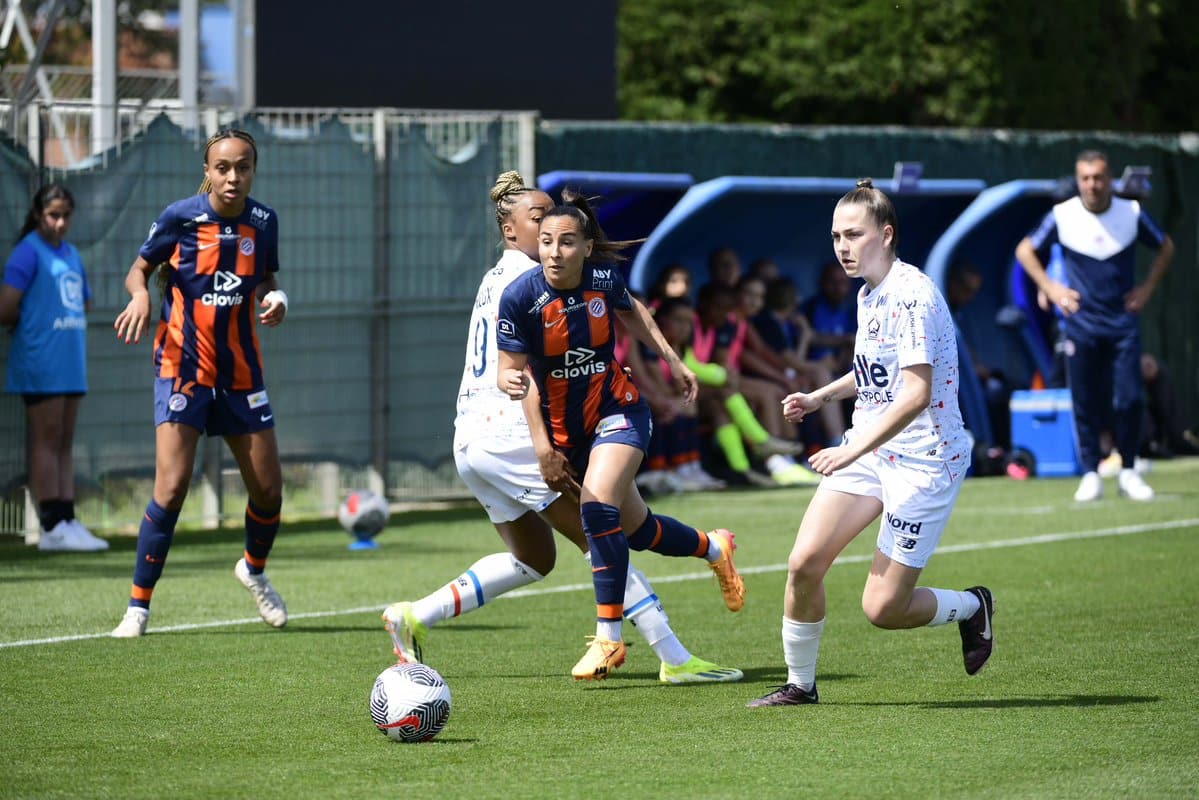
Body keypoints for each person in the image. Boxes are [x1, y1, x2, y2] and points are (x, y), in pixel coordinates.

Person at [382, 171, 741, 684]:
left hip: (472, 440)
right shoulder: (524, 286)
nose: (550, 228)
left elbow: (612, 314)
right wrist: (545, 447)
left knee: (540, 555)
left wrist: (630, 364)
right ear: (512, 232)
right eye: (538, 221)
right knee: (602, 531)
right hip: (513, 436)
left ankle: (417, 614)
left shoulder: (501, 277)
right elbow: (523, 373)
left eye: (558, 221)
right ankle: (674, 656)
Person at [748, 179, 993, 708]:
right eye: (836, 235)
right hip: (873, 448)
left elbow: (916, 394)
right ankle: (800, 685)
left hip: (925, 460)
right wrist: (818, 397)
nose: (842, 246)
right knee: (804, 562)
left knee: (883, 609)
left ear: (886, 234)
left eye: (853, 235)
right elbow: (874, 372)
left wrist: (848, 449)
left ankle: (971, 607)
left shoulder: (914, 296)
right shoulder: (867, 293)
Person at [496, 189, 745, 681]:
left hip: (620, 410)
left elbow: (635, 311)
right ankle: (714, 547)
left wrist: (673, 362)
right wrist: (541, 442)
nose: (554, 252)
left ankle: (609, 639)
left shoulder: (603, 278)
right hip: (568, 434)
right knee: (638, 531)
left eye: (566, 242)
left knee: (595, 507)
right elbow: (514, 376)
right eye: (546, 241)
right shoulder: (520, 297)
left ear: (587, 248)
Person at [110, 129, 290, 638]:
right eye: (223, 168)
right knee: (170, 488)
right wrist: (141, 295)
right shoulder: (180, 217)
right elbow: (137, 270)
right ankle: (138, 608)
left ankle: (253, 570)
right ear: (208, 171)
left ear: (254, 169)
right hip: (181, 366)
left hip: (241, 374)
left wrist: (277, 300)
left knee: (269, 492)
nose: (233, 177)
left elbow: (266, 284)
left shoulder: (264, 222)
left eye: (244, 167)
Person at [1015, 149, 1174, 503]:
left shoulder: (1130, 212)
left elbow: (1165, 247)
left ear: (1109, 179)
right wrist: (1051, 288)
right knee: (1084, 399)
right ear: (1079, 180)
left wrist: (1147, 288)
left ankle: (1129, 469)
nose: (1093, 185)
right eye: (1086, 178)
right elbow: (1025, 250)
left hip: (1122, 323)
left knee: (1130, 398)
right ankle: (1090, 472)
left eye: (1099, 177)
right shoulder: (1062, 215)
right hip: (1080, 324)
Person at [0, 184, 108, 552]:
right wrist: (37, 321)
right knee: (46, 439)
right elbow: (6, 307)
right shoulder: (27, 253)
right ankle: (50, 526)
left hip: (69, 361)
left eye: (66, 215)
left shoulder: (73, 254)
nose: (60, 223)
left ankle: (67, 518)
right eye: (53, 215)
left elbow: (84, 302)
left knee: (64, 441)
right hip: (40, 361)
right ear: (37, 215)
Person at [625, 295, 727, 493]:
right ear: (662, 320)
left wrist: (666, 399)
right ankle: (668, 468)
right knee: (671, 408)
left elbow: (673, 386)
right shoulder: (643, 344)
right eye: (679, 320)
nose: (685, 327)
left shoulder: (677, 347)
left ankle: (690, 467)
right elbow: (649, 381)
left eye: (688, 322)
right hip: (627, 396)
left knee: (686, 405)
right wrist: (661, 400)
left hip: (645, 396)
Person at [801, 260, 857, 375]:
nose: (838, 288)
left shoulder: (852, 312)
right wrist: (844, 340)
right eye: (833, 282)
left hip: (843, 372)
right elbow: (809, 337)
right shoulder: (810, 308)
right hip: (813, 370)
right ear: (822, 282)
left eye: (842, 282)